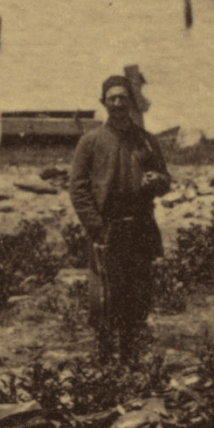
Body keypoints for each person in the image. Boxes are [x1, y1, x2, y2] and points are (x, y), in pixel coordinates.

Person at [69, 74, 173, 361]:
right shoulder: (90, 142)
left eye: (123, 97)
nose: (117, 103)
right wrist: (96, 228)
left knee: (137, 296)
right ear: (103, 102)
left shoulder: (147, 141)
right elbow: (77, 189)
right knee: (103, 297)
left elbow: (166, 181)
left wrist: (157, 181)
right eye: (112, 98)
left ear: (132, 102)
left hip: (140, 228)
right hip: (107, 229)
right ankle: (104, 360)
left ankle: (130, 358)